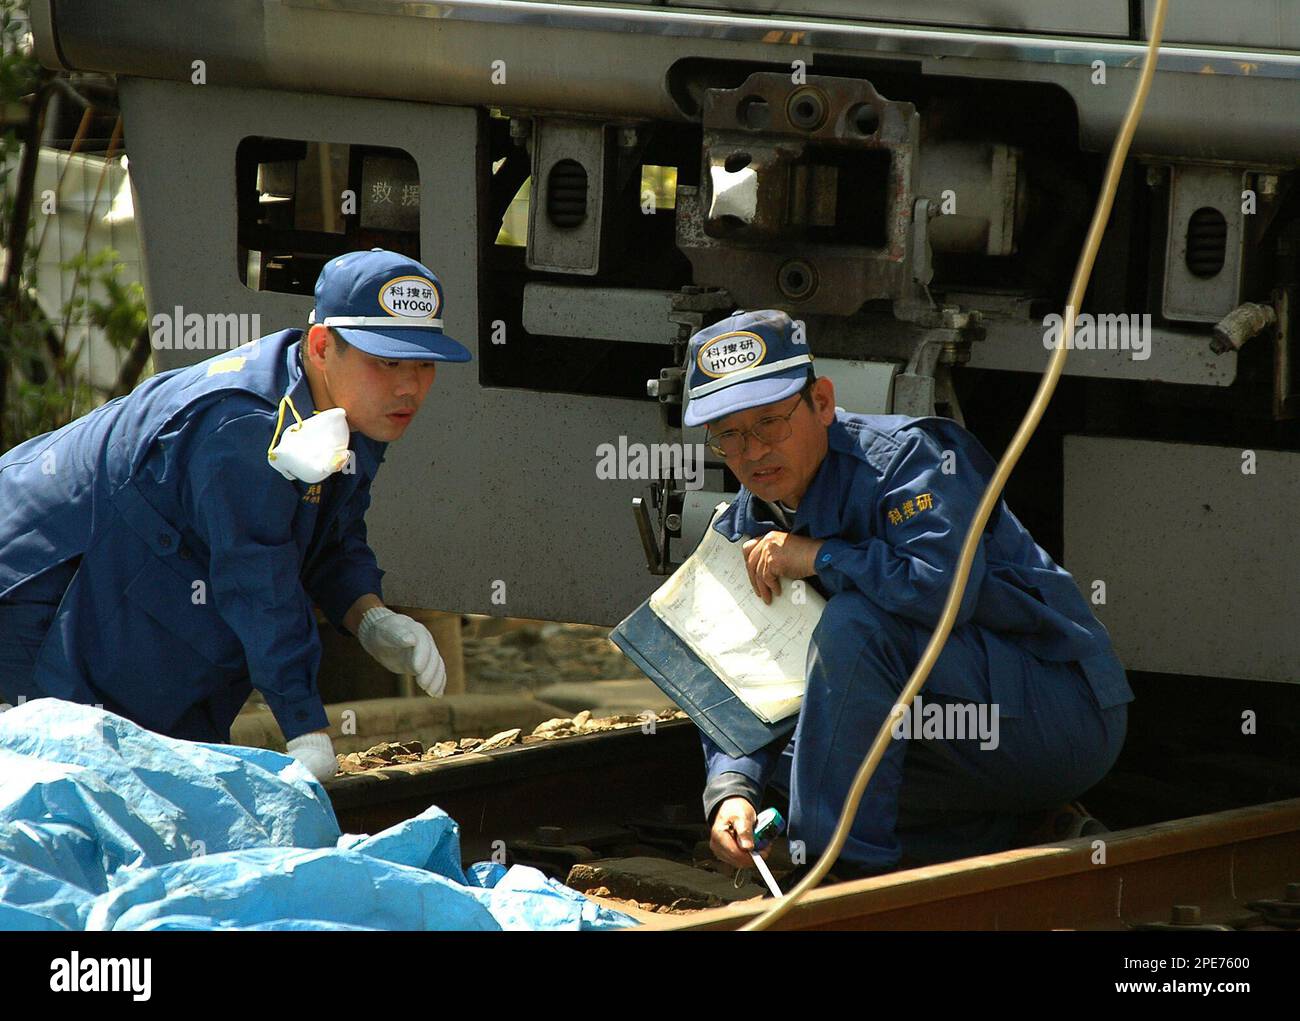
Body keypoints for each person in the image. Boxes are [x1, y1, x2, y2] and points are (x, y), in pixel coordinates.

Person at [683, 309, 1132, 877]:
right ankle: (1023, 831)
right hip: (948, 739)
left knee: (855, 627)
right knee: (792, 767)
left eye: (769, 422)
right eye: (728, 434)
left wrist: (821, 556)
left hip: (1055, 717)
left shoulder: (911, 462)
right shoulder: (746, 528)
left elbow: (946, 597)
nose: (750, 452)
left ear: (821, 402)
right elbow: (739, 678)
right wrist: (732, 788)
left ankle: (837, 879)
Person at [0, 248, 469, 780]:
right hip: (37, 586)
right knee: (59, 796)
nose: (410, 386)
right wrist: (305, 730)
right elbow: (257, 582)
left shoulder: (349, 408)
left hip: (130, 600)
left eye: (424, 364)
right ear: (321, 346)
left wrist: (371, 619)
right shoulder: (242, 425)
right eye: (388, 362)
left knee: (148, 795)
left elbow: (330, 536)